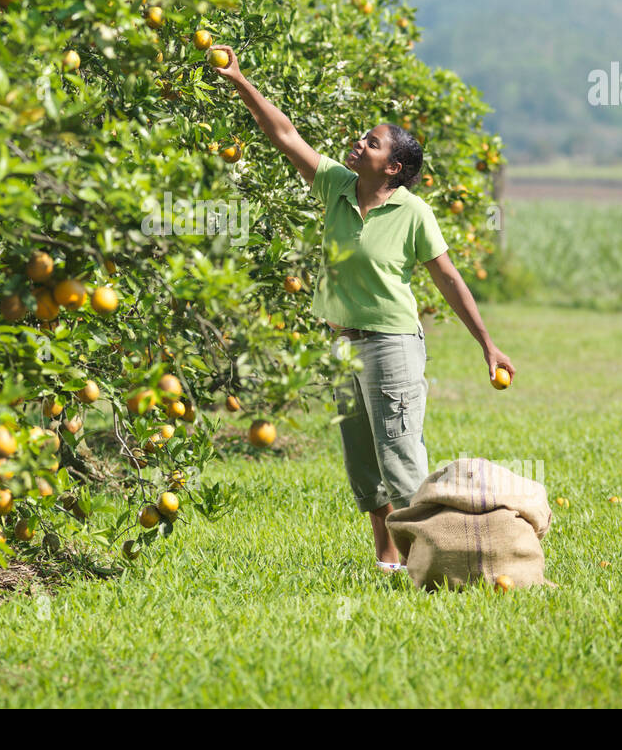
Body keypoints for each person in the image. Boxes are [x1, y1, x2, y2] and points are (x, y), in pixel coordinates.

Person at [212, 45, 517, 572]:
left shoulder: (413, 212)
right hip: (342, 344)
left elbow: (448, 278)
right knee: (362, 460)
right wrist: (238, 78)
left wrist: (486, 343)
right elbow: (284, 135)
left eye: (370, 142)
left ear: (392, 166)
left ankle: (432, 560)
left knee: (399, 455)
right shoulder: (335, 184)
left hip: (391, 344)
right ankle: (388, 558)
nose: (358, 143)